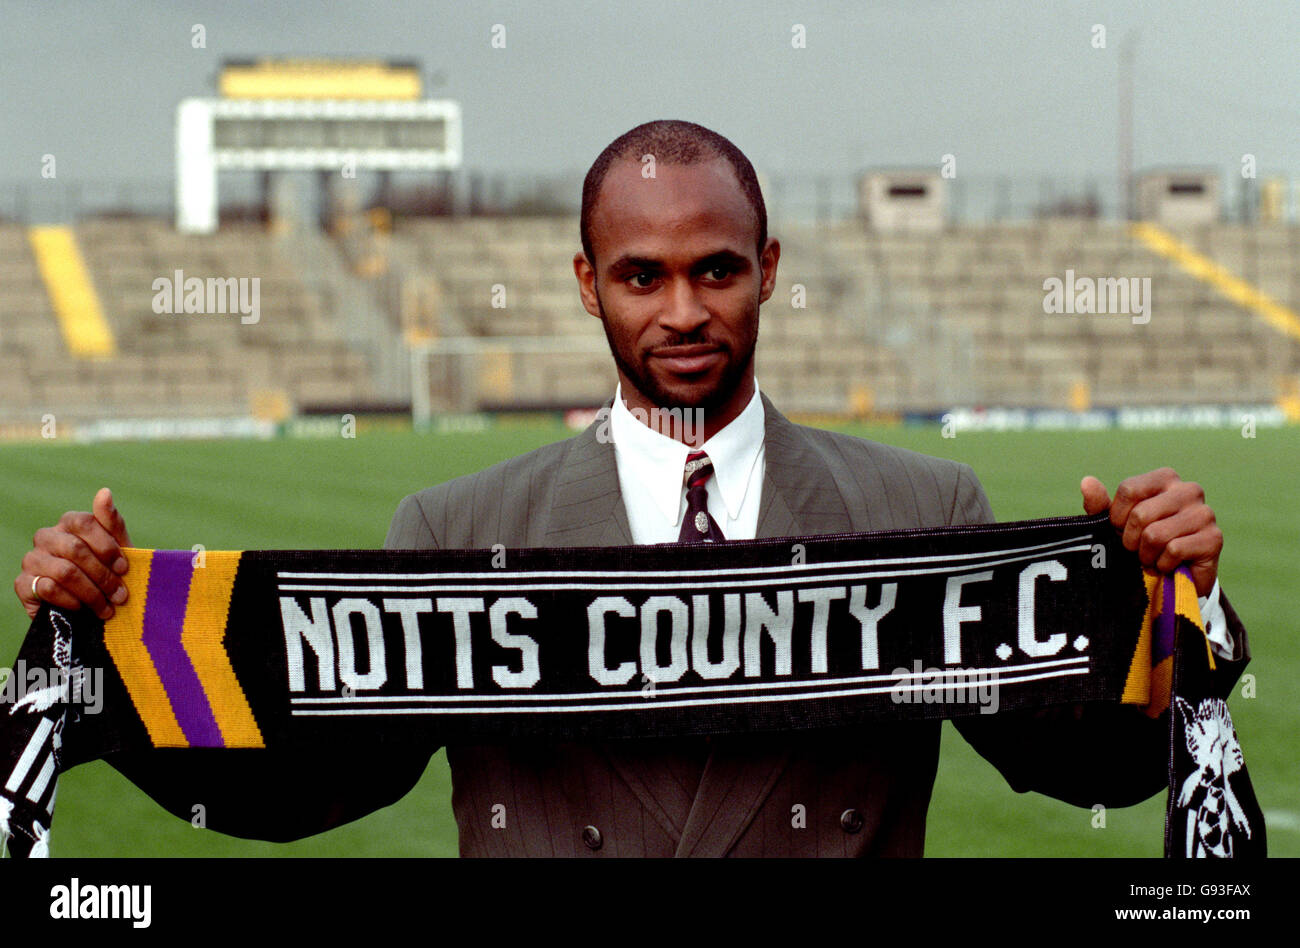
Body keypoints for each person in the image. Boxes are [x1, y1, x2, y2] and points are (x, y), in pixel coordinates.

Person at [13, 120, 1248, 856]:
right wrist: (107, 640)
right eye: (640, 275)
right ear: (585, 283)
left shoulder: (922, 508)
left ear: (768, 270)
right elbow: (318, 787)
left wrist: (1152, 603)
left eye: (714, 270)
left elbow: (1090, 771)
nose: (682, 311)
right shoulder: (459, 530)